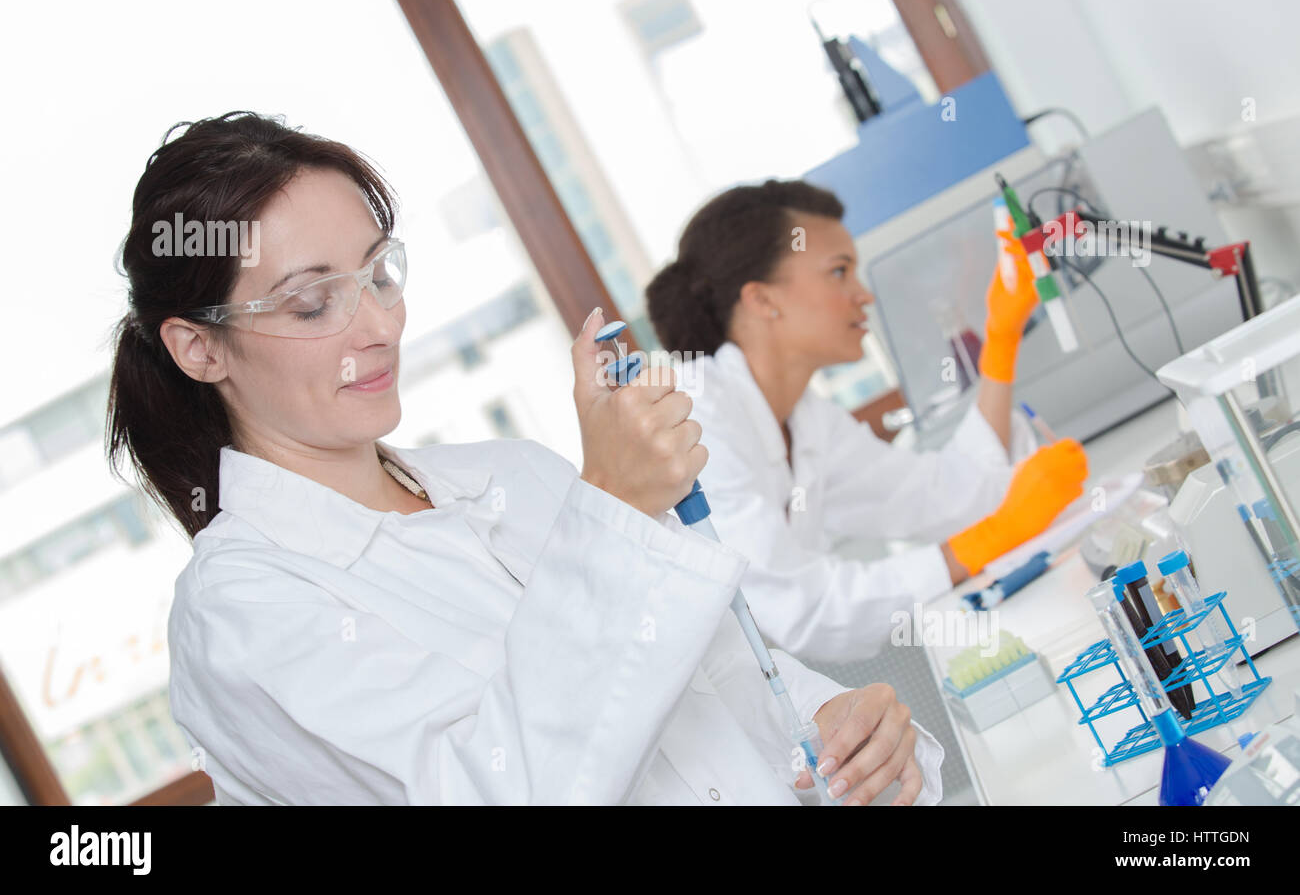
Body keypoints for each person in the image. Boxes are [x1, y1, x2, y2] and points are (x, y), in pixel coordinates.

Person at [106, 113, 944, 805]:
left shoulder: (514, 475)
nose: (377, 327)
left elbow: (740, 679)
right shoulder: (240, 611)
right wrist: (613, 508)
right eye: (313, 301)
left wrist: (846, 722)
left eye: (378, 275)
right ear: (199, 348)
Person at [645, 179, 1089, 662]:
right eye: (839, 272)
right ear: (762, 300)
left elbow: (944, 497)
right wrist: (983, 542)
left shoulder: (806, 418)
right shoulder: (694, 413)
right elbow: (805, 608)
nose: (863, 296)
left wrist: (1000, 346)